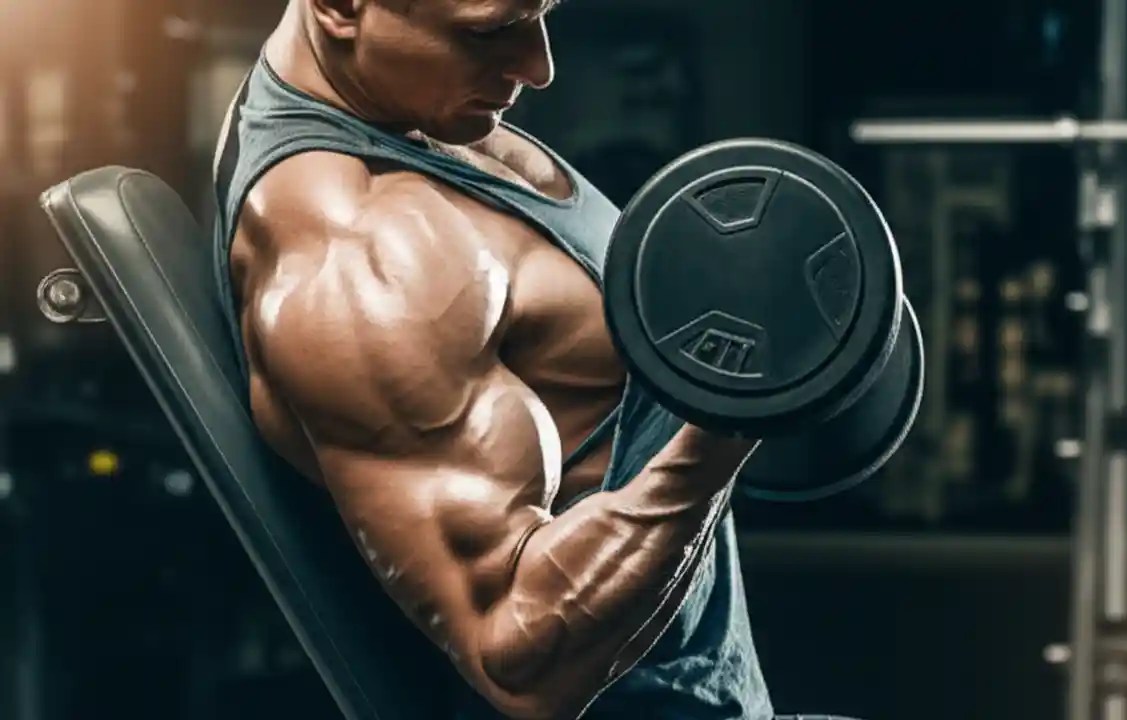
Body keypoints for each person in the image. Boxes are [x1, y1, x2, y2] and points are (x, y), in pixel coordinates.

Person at [210, 1, 776, 718]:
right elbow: (518, 662)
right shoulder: (365, 255)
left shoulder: (408, 116)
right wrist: (731, 411)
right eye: (488, 30)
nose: (537, 68)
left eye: (541, 13)